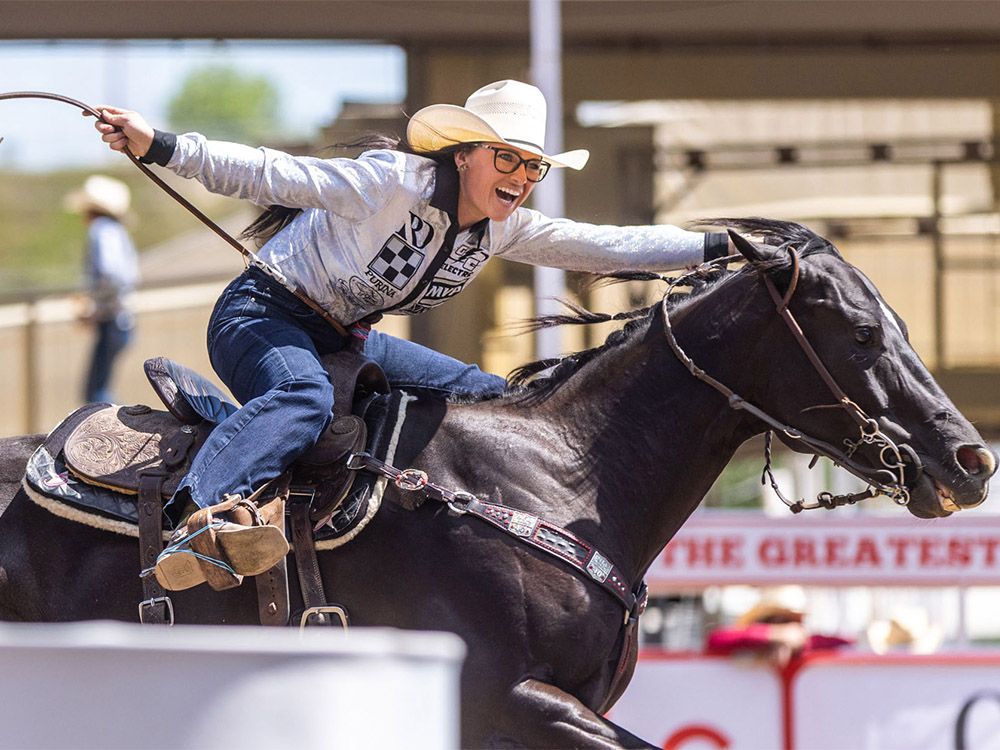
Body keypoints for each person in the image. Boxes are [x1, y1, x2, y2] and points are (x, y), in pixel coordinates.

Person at [93, 79, 733, 592]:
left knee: (491, 397)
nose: (520, 176)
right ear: (465, 155)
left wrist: (722, 245)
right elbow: (272, 173)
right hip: (261, 316)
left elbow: (603, 246)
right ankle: (194, 519)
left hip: (346, 338)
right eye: (506, 157)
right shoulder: (389, 182)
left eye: (532, 166)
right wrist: (160, 144)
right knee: (304, 397)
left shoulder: (503, 226)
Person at [65, 175, 140, 405]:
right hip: (122, 318)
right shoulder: (116, 230)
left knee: (95, 392)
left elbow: (111, 274)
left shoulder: (100, 231)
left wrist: (94, 302)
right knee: (100, 385)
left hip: (113, 319)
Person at [706, 587, 853, 667]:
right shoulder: (744, 646)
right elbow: (715, 639)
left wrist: (797, 644)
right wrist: (774, 635)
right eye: (776, 620)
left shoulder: (807, 643)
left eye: (790, 621)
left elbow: (848, 643)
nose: (785, 625)